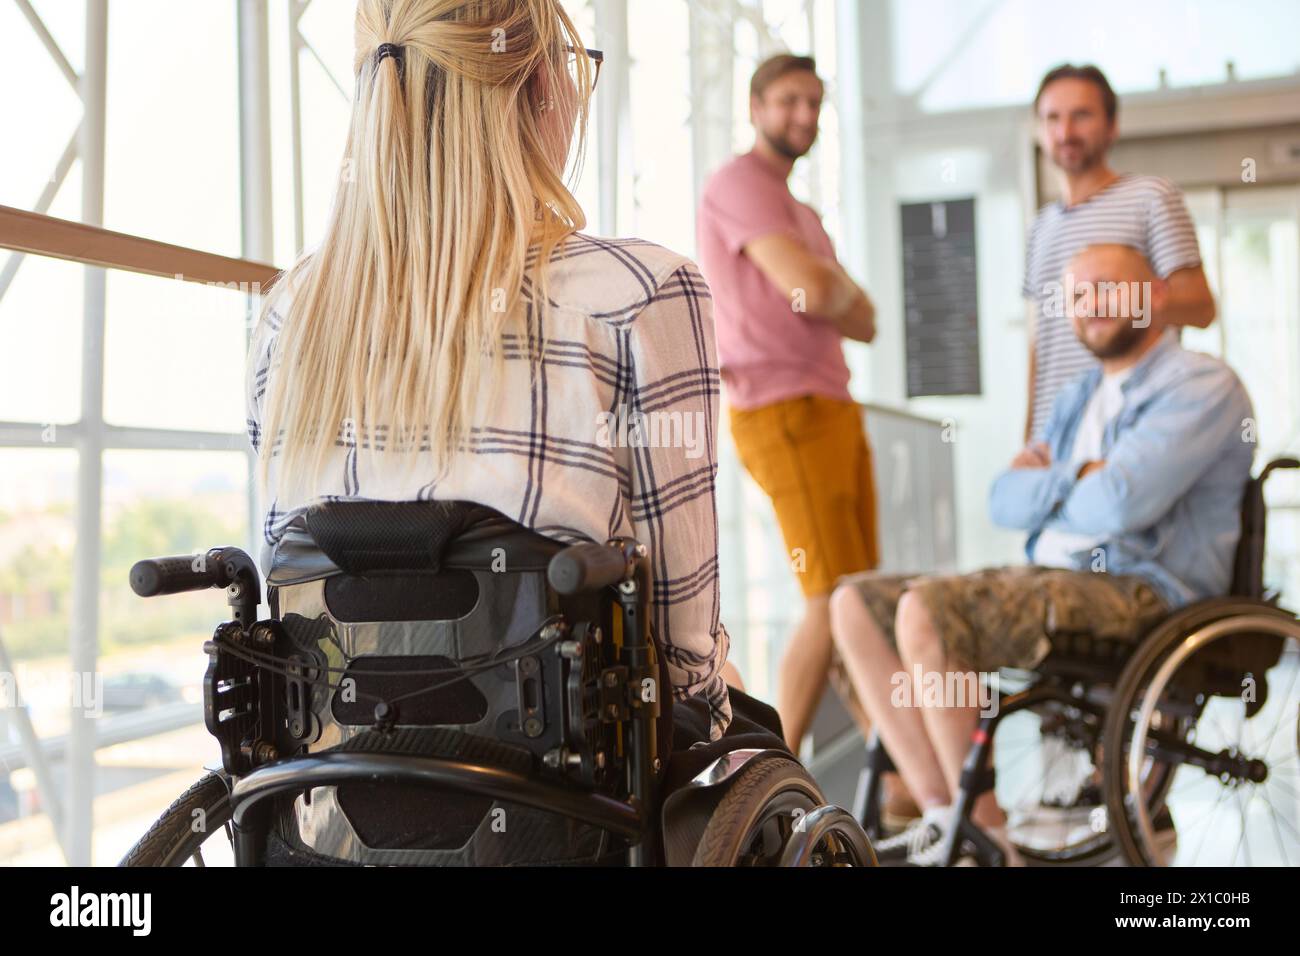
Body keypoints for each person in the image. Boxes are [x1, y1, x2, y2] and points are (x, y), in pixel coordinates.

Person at [245, 0, 737, 741]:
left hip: (335, 811)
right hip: (569, 808)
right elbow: (683, 653)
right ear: (540, 83)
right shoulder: (639, 295)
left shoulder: (292, 316)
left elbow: (291, 592)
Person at [830, 244, 1254, 865]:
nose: (1091, 306)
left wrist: (1050, 481)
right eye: (1078, 295)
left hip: (1143, 590)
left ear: (1157, 295)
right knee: (854, 603)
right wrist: (1081, 473)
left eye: (1109, 288)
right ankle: (944, 815)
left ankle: (986, 838)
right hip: (1051, 576)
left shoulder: (1203, 384)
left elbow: (1119, 506)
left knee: (928, 609)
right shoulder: (1079, 393)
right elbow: (1003, 499)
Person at [695, 53, 880, 755]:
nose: (803, 115)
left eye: (814, 102)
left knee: (859, 605)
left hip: (832, 402)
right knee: (830, 602)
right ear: (755, 105)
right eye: (787, 100)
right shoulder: (739, 183)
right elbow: (820, 292)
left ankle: (893, 777)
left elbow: (866, 320)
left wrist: (836, 293)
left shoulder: (798, 207)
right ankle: (775, 771)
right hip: (782, 406)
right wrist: (835, 291)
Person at [1024, 64, 1216, 442]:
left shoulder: (1151, 197)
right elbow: (1039, 344)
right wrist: (1031, 436)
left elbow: (1201, 307)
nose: (1065, 132)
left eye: (1081, 115)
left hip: (1129, 423)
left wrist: (1117, 303)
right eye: (1052, 118)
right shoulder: (1039, 227)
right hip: (1055, 435)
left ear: (1112, 126)